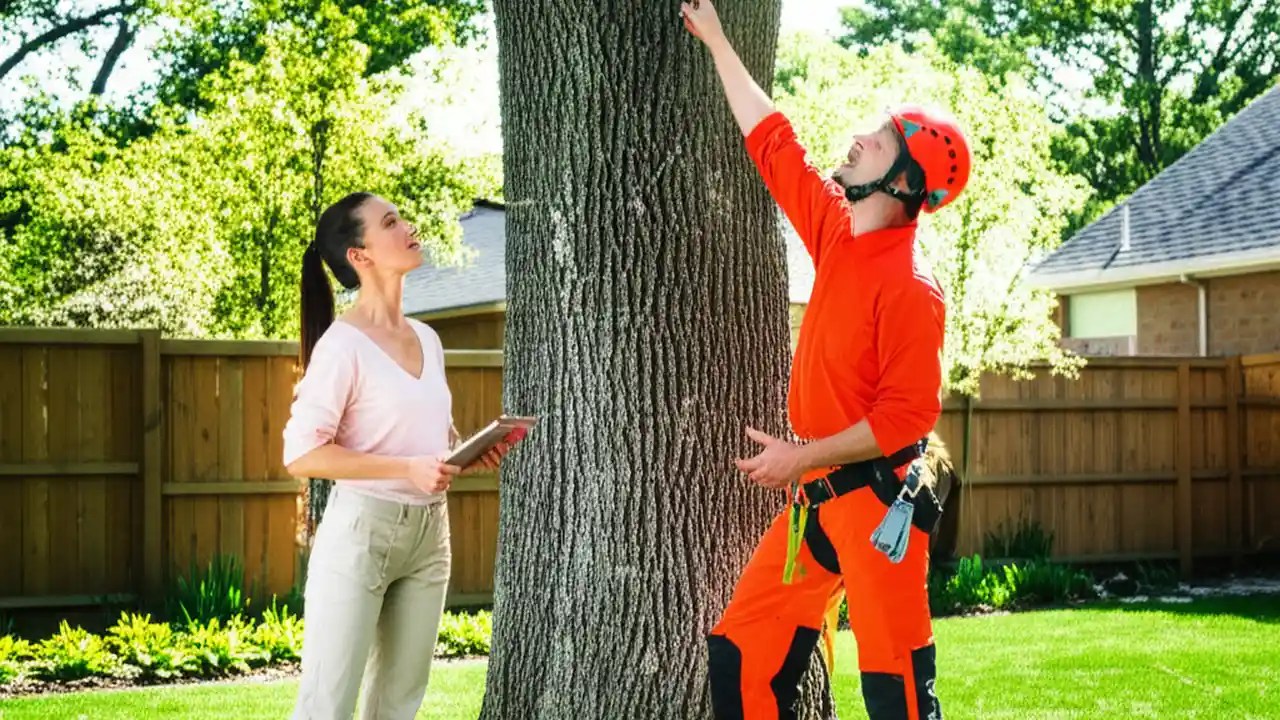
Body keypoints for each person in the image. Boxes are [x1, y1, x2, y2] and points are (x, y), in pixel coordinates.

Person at [682, 2, 972, 719]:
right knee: (740, 655)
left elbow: (907, 418)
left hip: (879, 510)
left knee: (895, 691)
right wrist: (717, 39)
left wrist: (801, 456)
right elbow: (772, 141)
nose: (855, 140)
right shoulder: (837, 235)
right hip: (816, 503)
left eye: (875, 142)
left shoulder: (911, 287)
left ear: (904, 182)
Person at [283, 191, 510, 720]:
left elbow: (424, 439)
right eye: (390, 222)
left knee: (398, 704)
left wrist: (462, 456)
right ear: (359, 256)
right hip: (362, 534)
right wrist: (405, 469)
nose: (408, 227)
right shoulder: (342, 345)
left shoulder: (428, 340)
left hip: (430, 536)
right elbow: (302, 454)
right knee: (327, 704)